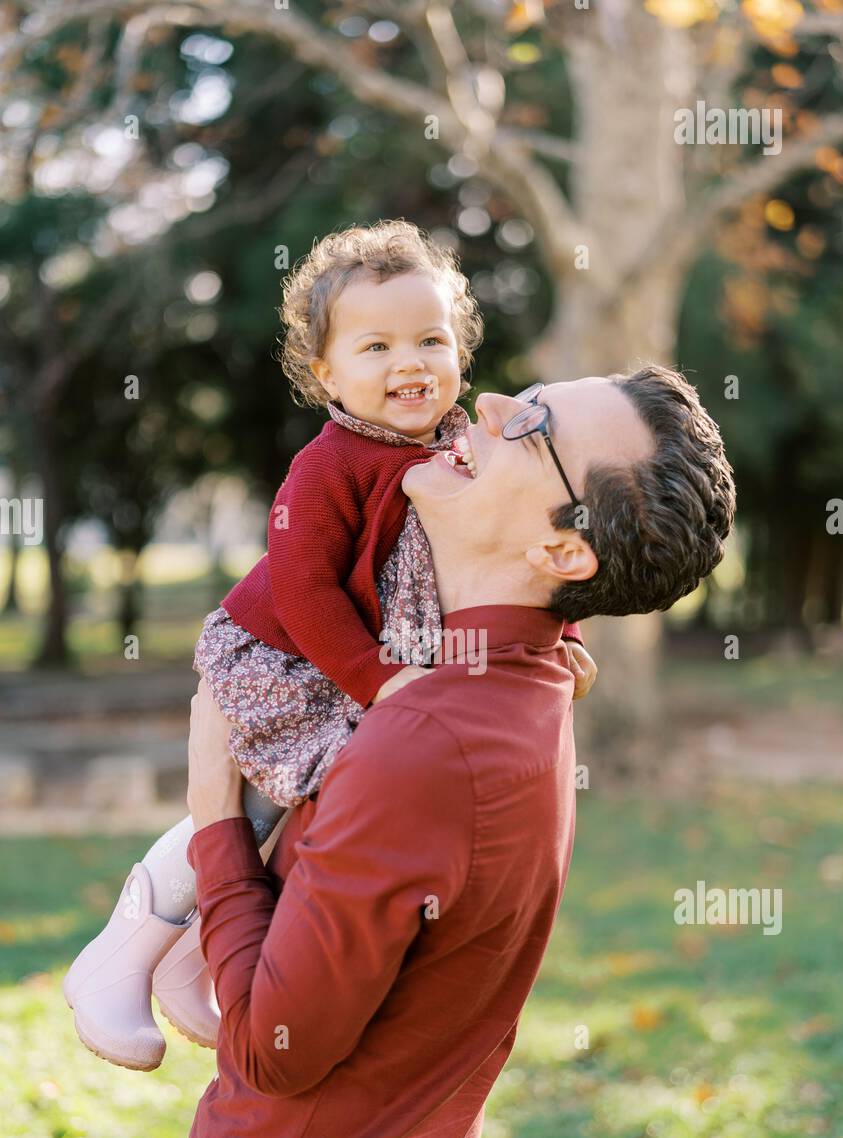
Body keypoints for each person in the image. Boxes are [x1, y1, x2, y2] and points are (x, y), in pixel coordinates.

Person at [125, 363, 735, 1138]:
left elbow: (270, 1051)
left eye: (531, 424)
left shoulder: (429, 739)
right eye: (523, 391)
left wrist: (214, 810)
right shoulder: (529, 684)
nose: (487, 404)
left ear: (565, 552)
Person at [62, 220, 593, 1072]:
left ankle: (200, 962)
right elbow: (305, 588)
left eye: (430, 339)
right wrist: (374, 679)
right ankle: (119, 956)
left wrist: (560, 633)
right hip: (292, 654)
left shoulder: (462, 448)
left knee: (314, 820)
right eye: (375, 346)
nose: (408, 363)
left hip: (368, 668)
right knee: (258, 806)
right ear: (327, 374)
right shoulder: (330, 466)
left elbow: (497, 553)